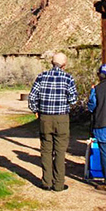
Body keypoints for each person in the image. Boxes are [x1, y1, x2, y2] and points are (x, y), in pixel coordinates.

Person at [28, 52, 78, 191]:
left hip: (45, 117)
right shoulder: (68, 78)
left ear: (51, 62)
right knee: (60, 151)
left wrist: (35, 110)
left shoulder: (42, 77)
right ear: (64, 64)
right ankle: (58, 184)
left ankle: (46, 182)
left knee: (46, 150)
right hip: (62, 118)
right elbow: (73, 100)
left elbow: (32, 97)